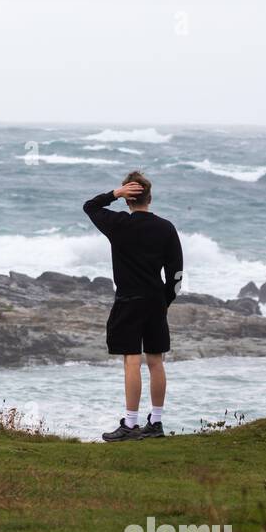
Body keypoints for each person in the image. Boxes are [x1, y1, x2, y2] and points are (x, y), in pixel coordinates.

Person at [83, 171, 184, 441]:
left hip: (128, 301)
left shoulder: (118, 224)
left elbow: (90, 207)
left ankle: (130, 424)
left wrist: (114, 194)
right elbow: (176, 275)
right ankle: (157, 423)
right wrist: (165, 302)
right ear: (150, 198)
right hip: (155, 302)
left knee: (131, 361)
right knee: (155, 361)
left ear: (128, 199)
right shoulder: (166, 228)